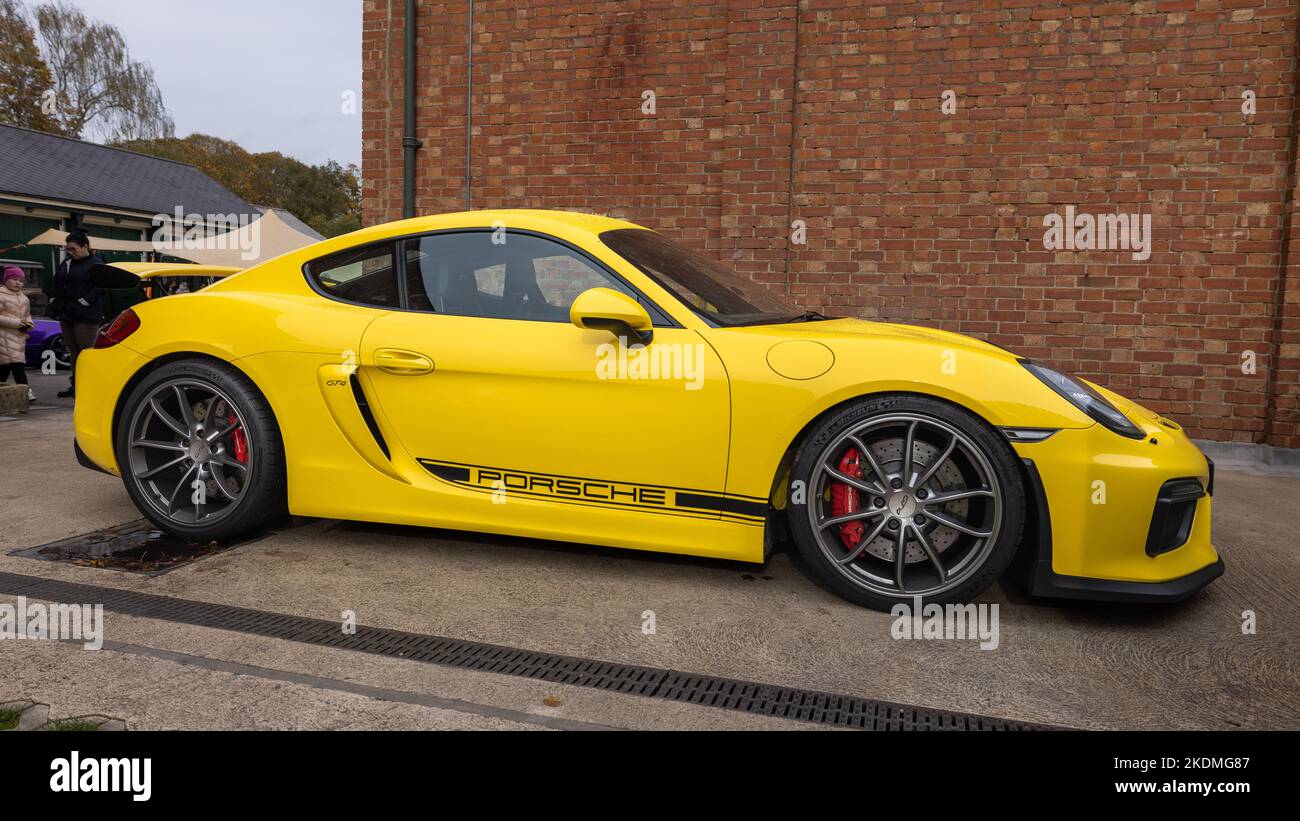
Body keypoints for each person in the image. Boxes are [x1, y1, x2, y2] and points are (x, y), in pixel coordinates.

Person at [49, 229, 104, 398]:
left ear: (85, 246)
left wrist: (87, 299)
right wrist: (55, 300)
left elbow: (102, 285)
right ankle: (75, 385)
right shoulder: (67, 262)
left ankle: (90, 385)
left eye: (74, 249)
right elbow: (58, 281)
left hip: (87, 315)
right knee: (73, 352)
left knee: (86, 352)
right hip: (67, 312)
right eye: (68, 249)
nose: (70, 252)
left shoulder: (95, 263)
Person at [0, 266, 36, 403]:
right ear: (6, 280)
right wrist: (16, 323)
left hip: (19, 336)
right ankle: (26, 392)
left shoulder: (24, 298)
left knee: (6, 366)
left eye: (21, 280)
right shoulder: (1, 295)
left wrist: (29, 324)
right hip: (3, 336)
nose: (18, 283)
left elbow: (27, 315)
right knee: (17, 364)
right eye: (14, 279)